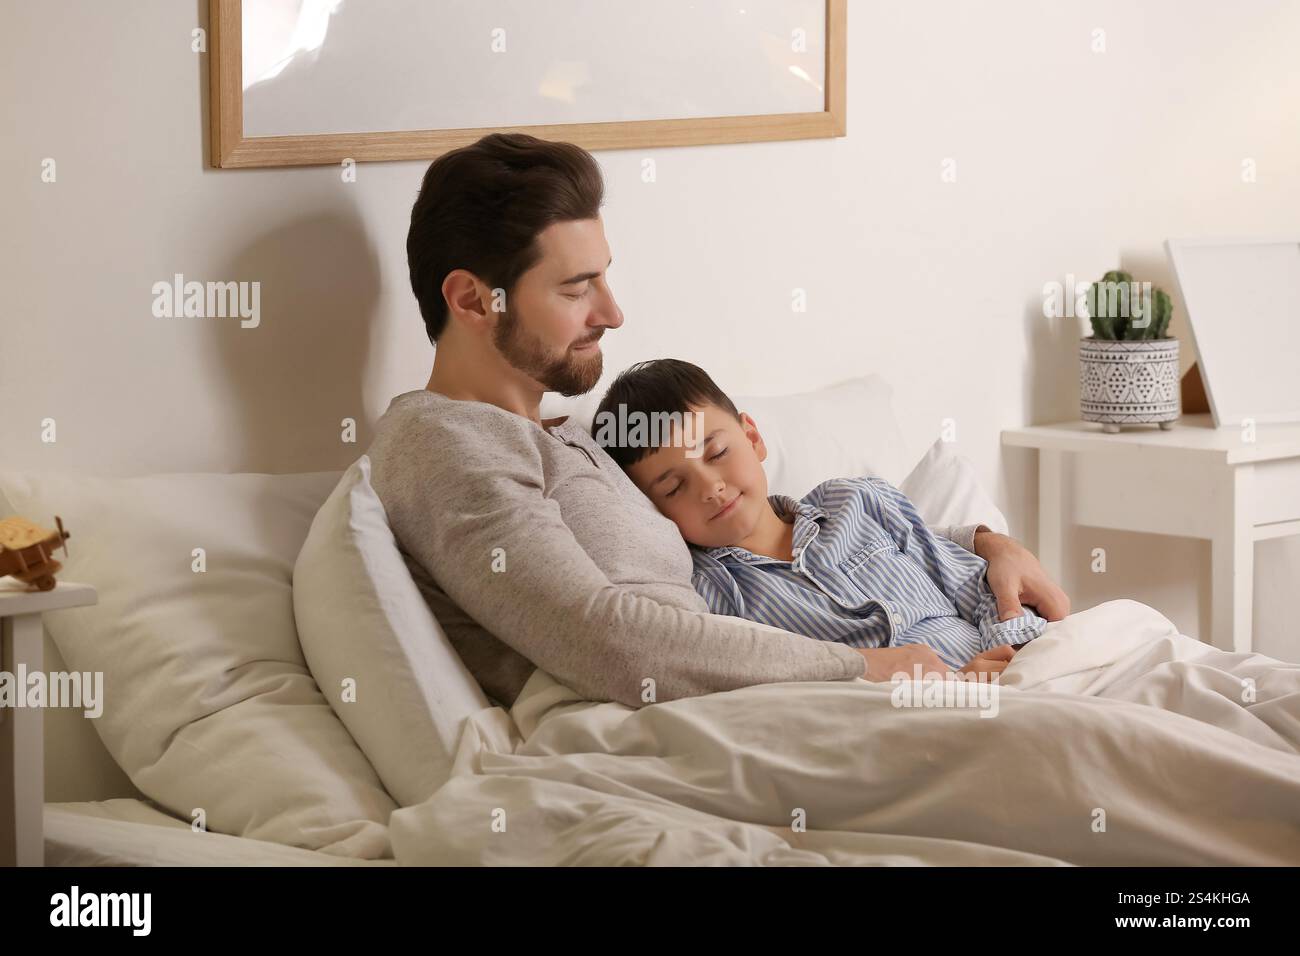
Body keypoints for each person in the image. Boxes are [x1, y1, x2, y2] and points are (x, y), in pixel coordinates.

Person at [366, 131, 1070, 710]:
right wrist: (868, 669)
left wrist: (982, 543)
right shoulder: (446, 444)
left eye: (604, 278)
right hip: (730, 725)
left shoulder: (575, 435)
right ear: (471, 300)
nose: (612, 314)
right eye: (578, 289)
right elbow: (605, 639)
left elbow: (784, 525)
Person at [592, 359, 1049, 677]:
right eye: (675, 488)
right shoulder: (714, 591)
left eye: (716, 452)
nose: (710, 486)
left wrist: (1012, 651)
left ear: (752, 437)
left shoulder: (857, 501)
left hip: (1022, 668)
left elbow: (971, 583)